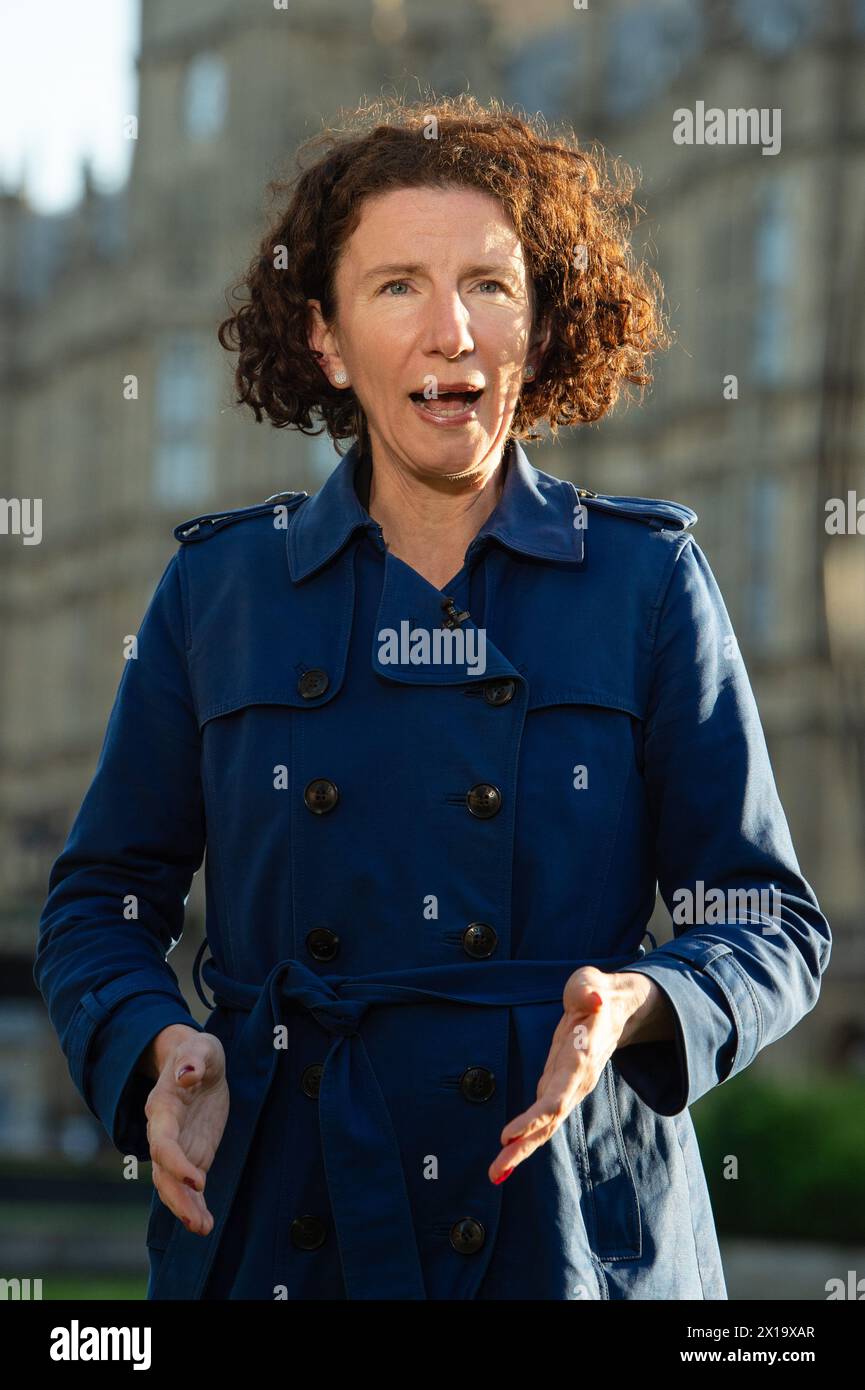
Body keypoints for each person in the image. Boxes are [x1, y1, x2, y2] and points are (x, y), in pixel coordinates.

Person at [34, 93, 831, 1300]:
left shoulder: (646, 578)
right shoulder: (218, 589)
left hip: (565, 1227)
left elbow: (768, 919)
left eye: (491, 286)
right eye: (397, 285)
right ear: (328, 340)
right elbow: (101, 899)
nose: (450, 329)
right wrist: (161, 1042)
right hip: (282, 1219)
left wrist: (643, 998)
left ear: (542, 322)